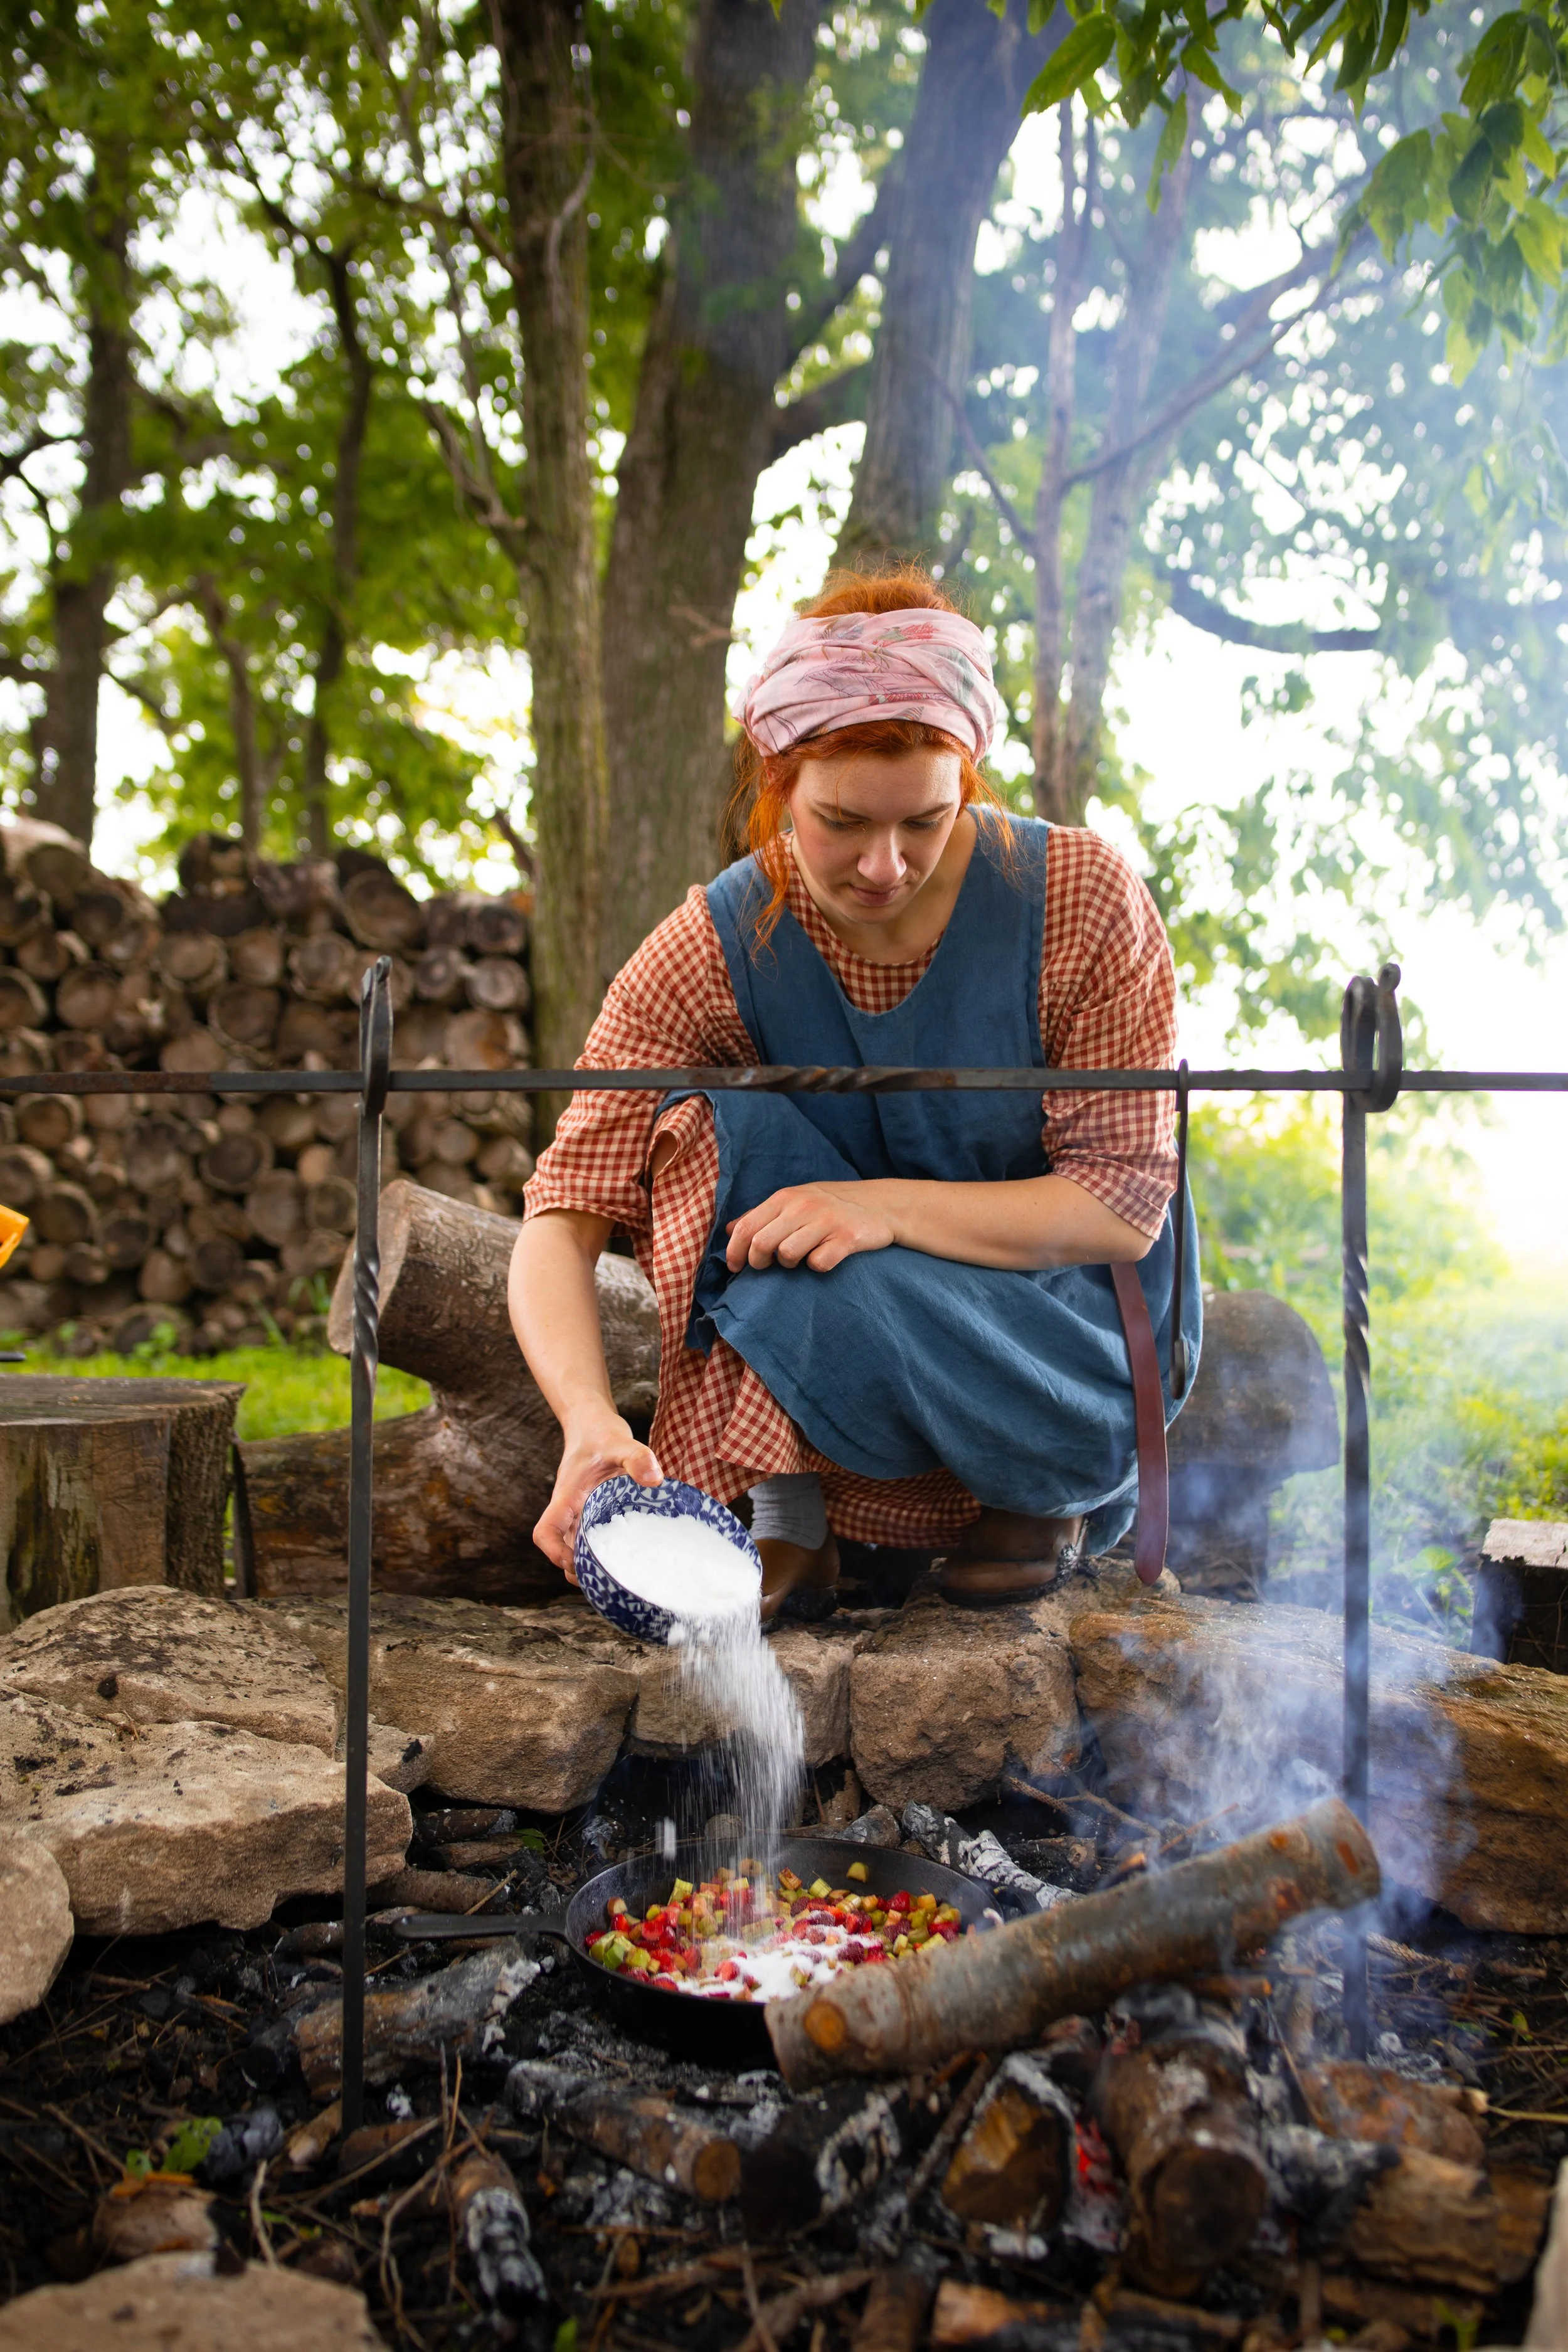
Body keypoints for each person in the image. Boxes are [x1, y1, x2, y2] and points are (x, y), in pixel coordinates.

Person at [509, 567, 1200, 1614]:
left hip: (1058, 1354)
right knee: (703, 1127)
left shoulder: (1080, 900)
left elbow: (1120, 1206)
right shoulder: (713, 945)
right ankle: (793, 1516)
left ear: (967, 776)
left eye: (925, 820)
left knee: (817, 1270)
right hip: (841, 1308)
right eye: (841, 822)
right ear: (776, 782)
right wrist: (590, 1420)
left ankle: (1033, 1489)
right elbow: (563, 1210)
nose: (885, 866)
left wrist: (876, 1208)